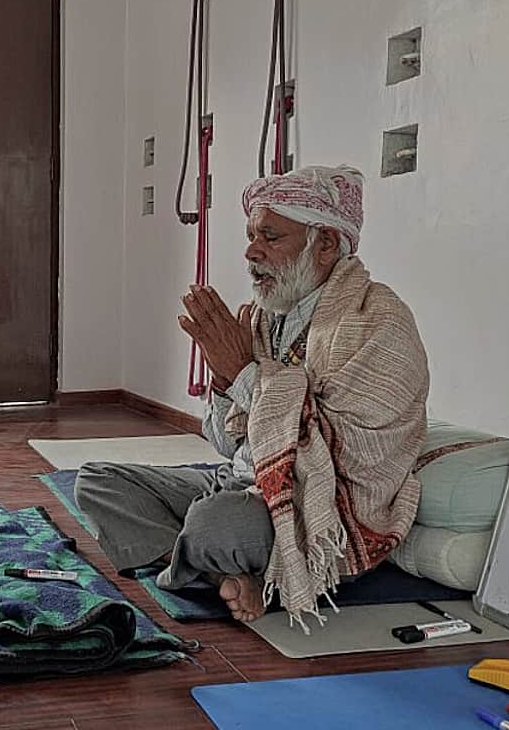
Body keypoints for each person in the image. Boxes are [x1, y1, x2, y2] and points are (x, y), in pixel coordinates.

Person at [76, 165, 429, 629]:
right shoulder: (269, 317)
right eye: (251, 236)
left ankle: (218, 564)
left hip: (317, 511)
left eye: (270, 237)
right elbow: (230, 447)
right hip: (241, 484)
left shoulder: (379, 323)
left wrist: (241, 371)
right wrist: (224, 382)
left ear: (324, 244)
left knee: (213, 524)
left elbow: (340, 453)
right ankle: (225, 574)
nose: (251, 252)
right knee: (97, 482)